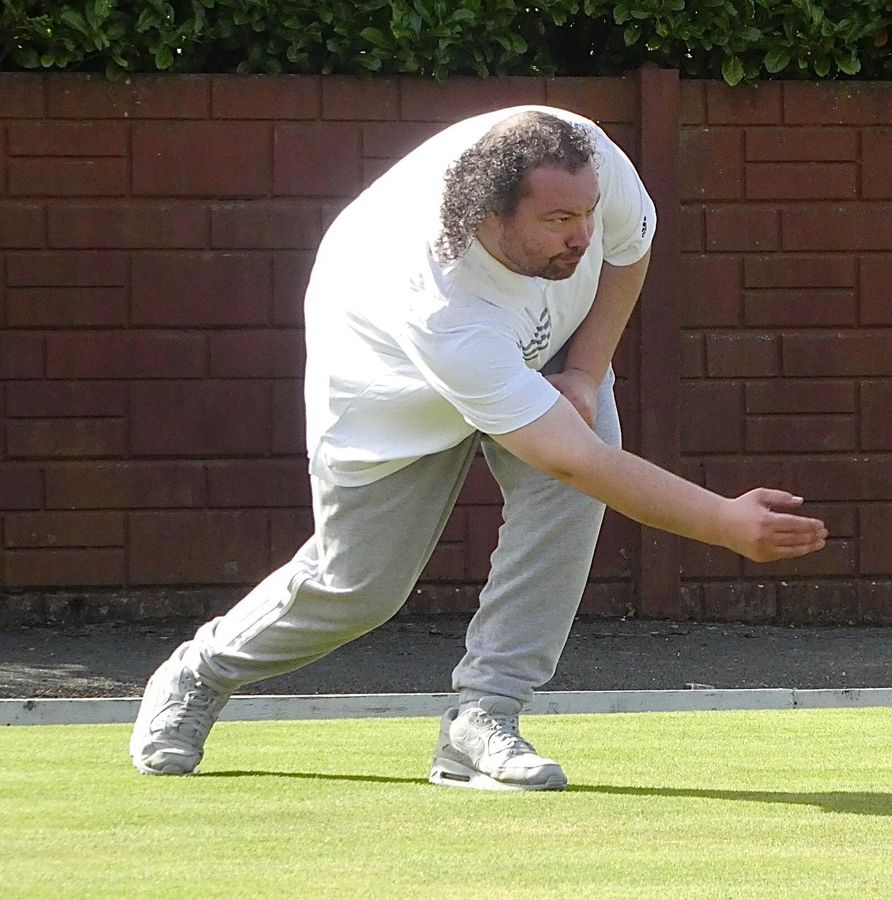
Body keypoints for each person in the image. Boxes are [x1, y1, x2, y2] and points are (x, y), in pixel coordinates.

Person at [129, 106, 828, 791]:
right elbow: (573, 458)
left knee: (572, 493)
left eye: (586, 212)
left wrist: (585, 372)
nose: (582, 233)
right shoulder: (440, 304)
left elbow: (629, 248)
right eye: (558, 222)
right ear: (490, 216)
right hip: (390, 381)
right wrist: (725, 523)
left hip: (542, 339)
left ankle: (484, 718)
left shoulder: (586, 161)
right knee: (359, 588)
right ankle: (202, 670)